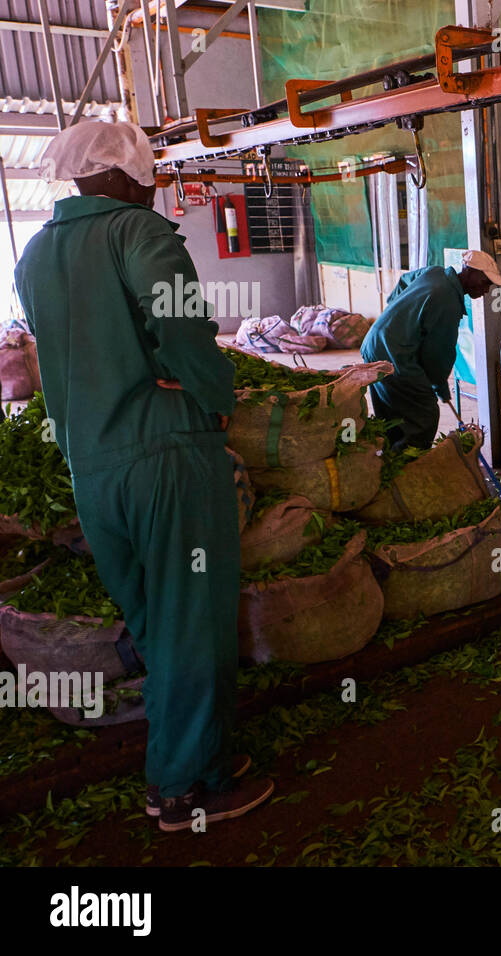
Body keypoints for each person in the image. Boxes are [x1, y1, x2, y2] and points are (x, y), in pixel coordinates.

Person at [14, 120, 273, 832]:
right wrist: (215, 400)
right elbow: (184, 325)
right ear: (127, 177)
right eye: (148, 175)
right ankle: (183, 791)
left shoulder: (34, 255)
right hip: (164, 454)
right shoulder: (140, 234)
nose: (151, 186)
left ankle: (205, 756)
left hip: (92, 467)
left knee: (156, 622)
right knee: (193, 620)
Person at [360, 250, 501, 451]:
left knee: (391, 415)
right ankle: (412, 467)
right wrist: (439, 387)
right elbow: (437, 355)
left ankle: (390, 465)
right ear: (470, 272)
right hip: (395, 355)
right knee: (424, 412)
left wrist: (398, 318)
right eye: (485, 283)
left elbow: (403, 282)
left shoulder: (434, 272)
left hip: (374, 343)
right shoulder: (448, 301)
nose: (486, 290)